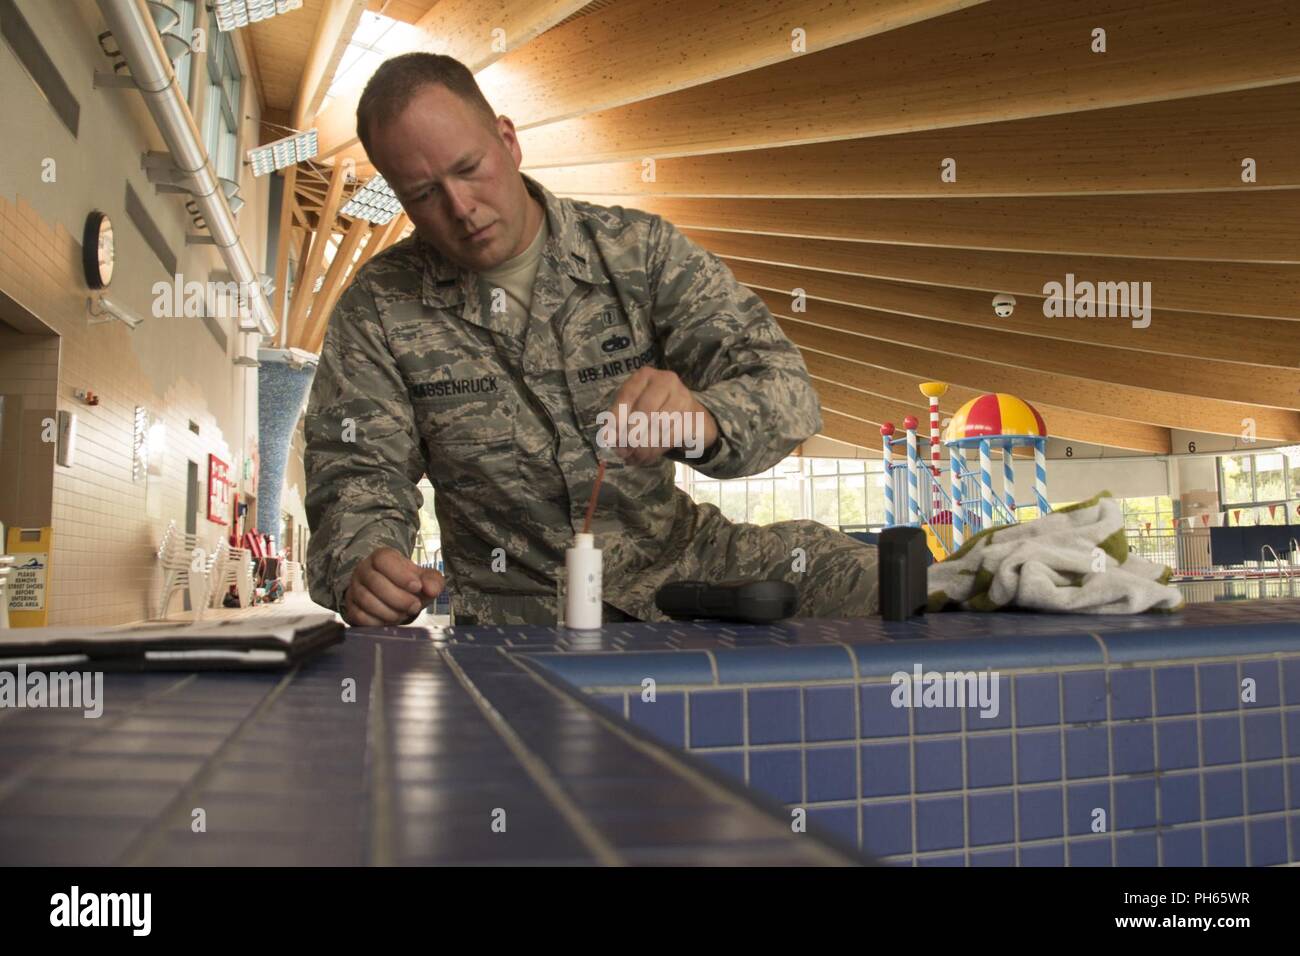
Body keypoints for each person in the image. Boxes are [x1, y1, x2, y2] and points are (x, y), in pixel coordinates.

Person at [304, 53, 878, 626]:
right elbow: (355, 472)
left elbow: (787, 390)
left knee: (890, 584)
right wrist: (365, 563)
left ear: (507, 139)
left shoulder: (639, 253)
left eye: (469, 167)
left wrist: (703, 418)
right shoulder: (378, 308)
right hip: (517, 619)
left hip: (681, 572)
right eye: (424, 194)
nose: (461, 208)